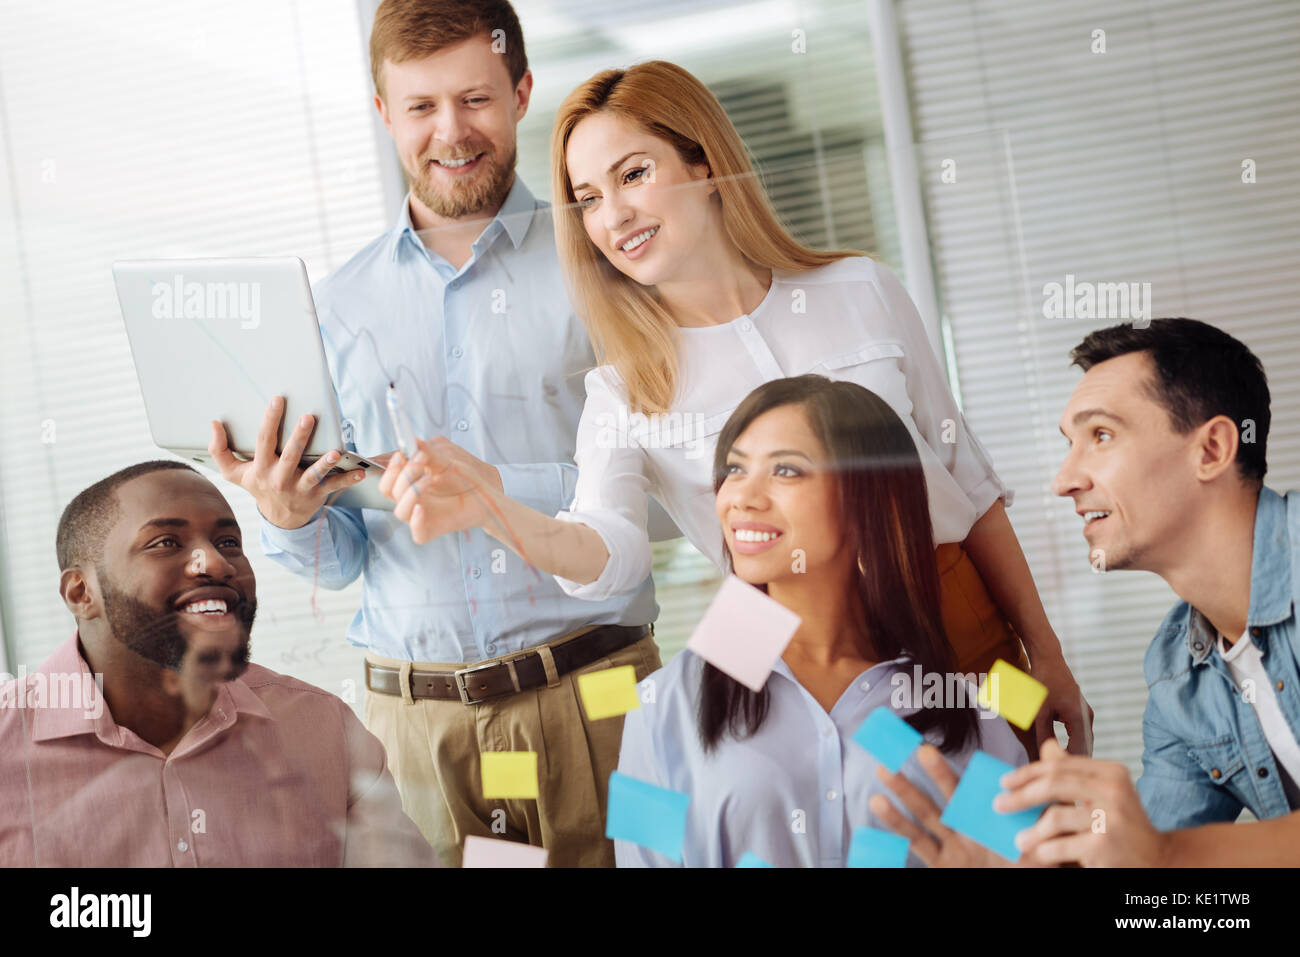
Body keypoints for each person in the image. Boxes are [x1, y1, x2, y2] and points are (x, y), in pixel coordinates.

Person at [381, 59, 1090, 757]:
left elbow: (968, 479)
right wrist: (492, 510)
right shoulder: (625, 388)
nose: (615, 215)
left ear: (703, 164)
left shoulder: (860, 289)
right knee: (876, 844)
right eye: (588, 197)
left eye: (634, 174)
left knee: (1011, 832)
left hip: (963, 621)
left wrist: (1047, 653)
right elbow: (606, 551)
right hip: (803, 665)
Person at [207, 0, 663, 868]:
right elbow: (342, 560)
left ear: (523, 90)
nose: (451, 132)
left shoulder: (609, 261)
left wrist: (488, 491)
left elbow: (665, 505)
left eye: (476, 99)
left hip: (600, 697)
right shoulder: (336, 307)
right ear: (384, 113)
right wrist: (287, 515)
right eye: (420, 107)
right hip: (422, 731)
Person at [879, 318, 1300, 867]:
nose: (1064, 479)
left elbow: (1160, 853)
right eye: (1070, 444)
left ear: (1213, 448)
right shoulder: (1179, 672)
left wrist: (1167, 853)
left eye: (1100, 436)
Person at [611, 376, 1025, 866]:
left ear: (871, 497)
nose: (741, 496)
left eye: (786, 470)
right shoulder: (664, 706)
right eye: (735, 469)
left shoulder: (961, 712)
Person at [0, 461, 438, 867]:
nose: (215, 562)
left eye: (228, 542)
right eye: (166, 543)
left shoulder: (324, 728)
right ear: (81, 593)